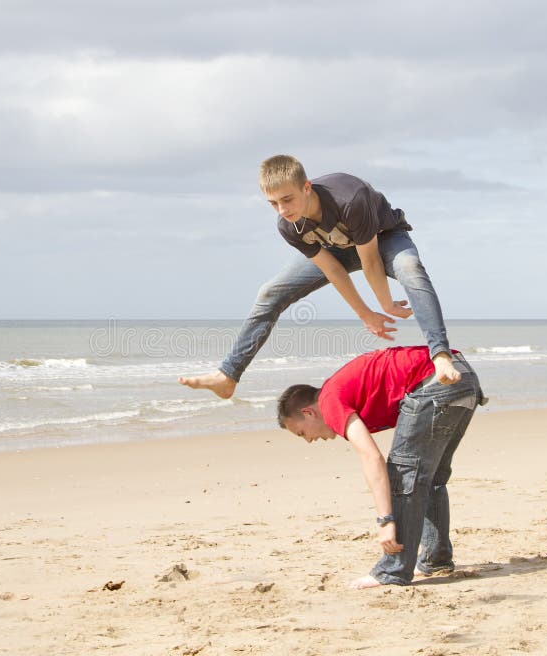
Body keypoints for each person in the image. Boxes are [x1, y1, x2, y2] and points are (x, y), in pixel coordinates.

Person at [179, 154, 460, 399]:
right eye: (273, 203)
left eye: (287, 199)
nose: (282, 210)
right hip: (337, 248)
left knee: (411, 268)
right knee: (270, 292)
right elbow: (333, 270)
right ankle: (228, 376)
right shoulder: (288, 226)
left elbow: (370, 260)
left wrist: (385, 305)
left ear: (307, 187)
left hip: (384, 239)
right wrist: (365, 315)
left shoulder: (350, 199)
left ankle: (441, 356)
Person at [276, 346, 486, 587]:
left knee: (404, 475)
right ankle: (435, 558)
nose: (309, 440)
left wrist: (385, 521)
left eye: (302, 432)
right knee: (432, 478)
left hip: (433, 380)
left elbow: (371, 458)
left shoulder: (328, 400)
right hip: (462, 376)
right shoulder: (338, 391)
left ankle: (392, 570)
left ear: (308, 412)